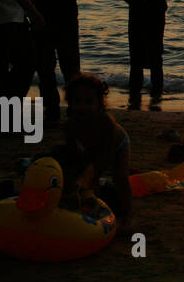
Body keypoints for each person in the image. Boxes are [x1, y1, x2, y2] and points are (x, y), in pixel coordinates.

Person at [53, 73, 133, 230]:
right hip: (92, 147)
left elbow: (106, 153)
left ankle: (128, 216)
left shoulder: (106, 122)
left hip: (118, 146)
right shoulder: (71, 123)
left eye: (89, 102)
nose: (82, 106)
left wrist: (95, 174)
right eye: (77, 101)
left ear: (99, 104)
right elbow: (71, 150)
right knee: (75, 172)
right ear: (70, 103)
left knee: (120, 178)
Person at [121, 0, 176, 110]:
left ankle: (135, 90)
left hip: (136, 15)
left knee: (135, 55)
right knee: (155, 53)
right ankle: (157, 89)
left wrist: (136, 2)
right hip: (156, 16)